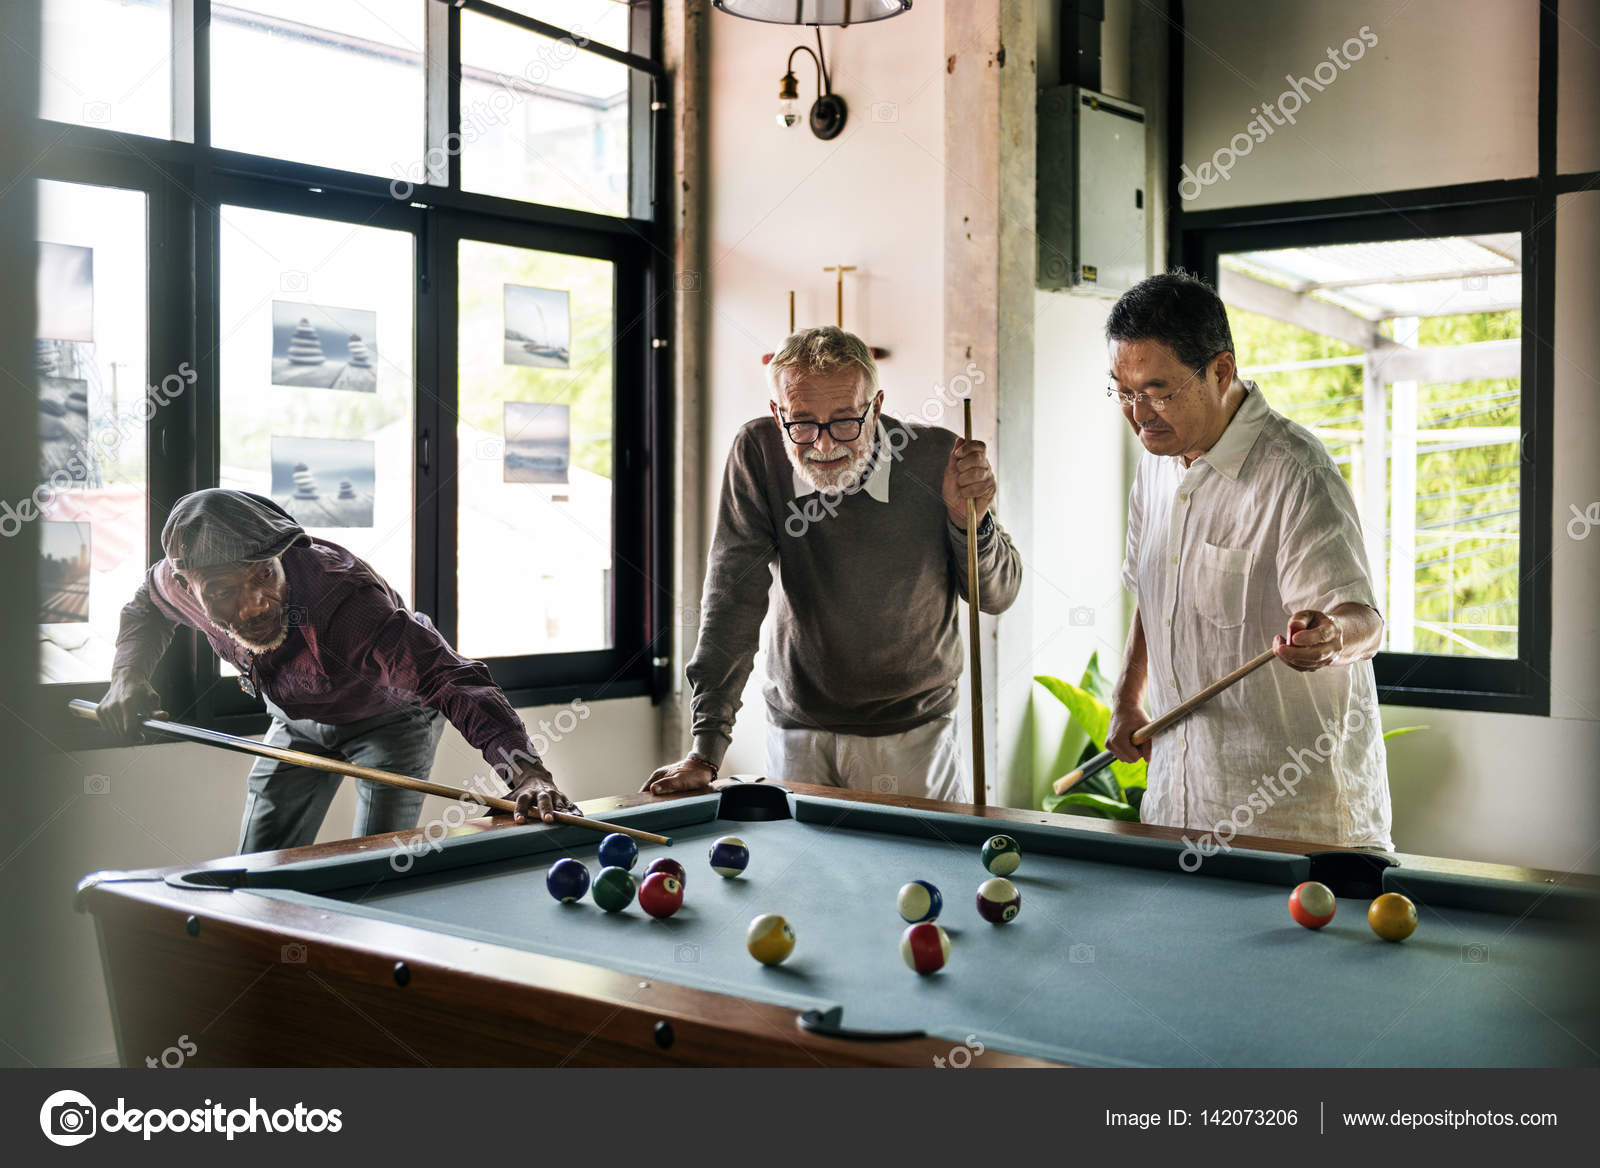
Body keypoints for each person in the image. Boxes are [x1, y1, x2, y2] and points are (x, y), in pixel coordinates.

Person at [643, 326, 1022, 801]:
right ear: (777, 414)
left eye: (845, 421)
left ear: (876, 407)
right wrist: (706, 750)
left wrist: (971, 520)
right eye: (801, 423)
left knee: (918, 874)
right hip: (796, 729)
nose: (824, 446)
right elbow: (731, 599)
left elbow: (997, 595)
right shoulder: (758, 452)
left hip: (914, 734)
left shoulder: (938, 457)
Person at [98, 489, 575, 852]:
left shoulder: (347, 605)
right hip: (294, 720)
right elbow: (145, 609)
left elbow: (448, 678)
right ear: (187, 584)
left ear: (280, 556)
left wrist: (527, 774)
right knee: (256, 863)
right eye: (224, 592)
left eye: (264, 575)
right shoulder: (175, 583)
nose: (254, 605)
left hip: (392, 720)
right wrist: (127, 677)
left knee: (377, 866)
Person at [1104, 271, 1392, 850]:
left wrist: (1332, 636)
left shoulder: (1296, 471)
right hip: (1179, 807)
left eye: (1157, 391)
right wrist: (1127, 698)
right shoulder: (1156, 462)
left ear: (1220, 371)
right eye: (1123, 390)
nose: (1138, 415)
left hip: (1294, 828)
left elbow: (1367, 624)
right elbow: (1153, 597)